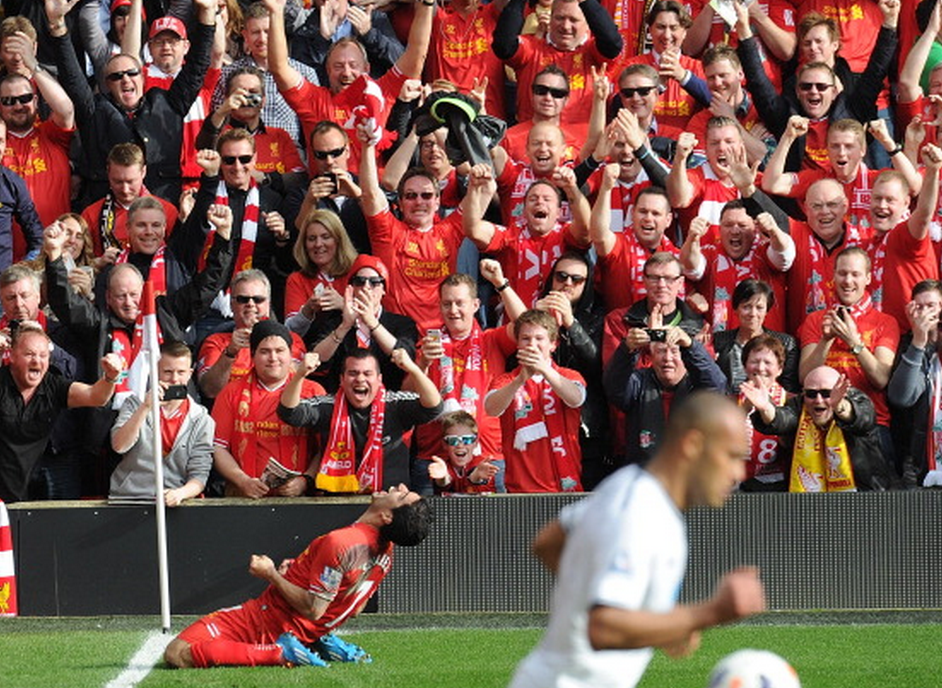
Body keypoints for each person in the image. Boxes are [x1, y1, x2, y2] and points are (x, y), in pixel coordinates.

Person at [507, 391, 766, 688]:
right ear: (693, 445)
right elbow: (603, 629)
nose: (738, 473)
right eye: (731, 456)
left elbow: (547, 541)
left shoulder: (628, 485)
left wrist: (661, 623)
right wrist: (710, 612)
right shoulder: (641, 512)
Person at [163, 483, 433, 669]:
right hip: (306, 628)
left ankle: (280, 653)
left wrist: (271, 575)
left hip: (271, 621)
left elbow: (314, 609)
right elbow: (355, 606)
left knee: (177, 653)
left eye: (401, 495)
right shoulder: (387, 550)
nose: (399, 487)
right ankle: (317, 642)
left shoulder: (342, 542)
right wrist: (297, 573)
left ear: (387, 515)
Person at [46, 0, 217, 205]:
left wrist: (207, 14)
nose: (125, 79)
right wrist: (57, 26)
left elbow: (197, 66)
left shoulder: (168, 103)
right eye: (117, 76)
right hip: (107, 213)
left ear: (142, 77)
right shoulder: (96, 110)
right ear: (108, 84)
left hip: (162, 211)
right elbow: (72, 77)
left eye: (131, 73)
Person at [278, 348, 443, 493]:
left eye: (367, 373)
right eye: (353, 373)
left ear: (379, 380)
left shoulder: (395, 404)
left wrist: (413, 369)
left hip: (388, 501)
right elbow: (289, 412)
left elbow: (434, 407)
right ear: (341, 380)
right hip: (337, 502)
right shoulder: (328, 405)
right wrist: (300, 374)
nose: (360, 379)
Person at [0, 322, 125, 503]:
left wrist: (110, 377)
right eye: (29, 354)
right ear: (11, 356)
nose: (37, 361)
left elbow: (96, 396)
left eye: (43, 355)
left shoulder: (53, 384)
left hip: (41, 474)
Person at [212, 320, 325, 498]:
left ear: (291, 354)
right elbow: (218, 447)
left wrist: (305, 481)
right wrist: (243, 481)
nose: (273, 358)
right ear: (252, 355)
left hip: (300, 500)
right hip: (244, 498)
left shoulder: (312, 392)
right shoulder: (231, 393)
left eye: (279, 351)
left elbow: (325, 448)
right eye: (265, 351)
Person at [604, 310, 727, 466]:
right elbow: (614, 387)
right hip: (647, 477)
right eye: (661, 351)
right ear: (652, 356)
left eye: (675, 351)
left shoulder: (697, 385)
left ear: (686, 356)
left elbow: (717, 386)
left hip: (688, 478)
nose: (668, 358)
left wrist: (690, 345)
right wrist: (626, 349)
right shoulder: (639, 382)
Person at [743, 364, 896, 491]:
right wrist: (766, 409)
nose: (818, 400)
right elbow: (782, 420)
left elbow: (862, 419)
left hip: (862, 494)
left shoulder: (858, 400)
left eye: (826, 393)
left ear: (842, 391)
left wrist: (839, 406)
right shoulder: (800, 404)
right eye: (811, 394)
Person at [485, 309, 586, 493]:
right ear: (517, 344)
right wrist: (520, 381)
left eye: (539, 339)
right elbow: (491, 408)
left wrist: (545, 371)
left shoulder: (569, 375)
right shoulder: (506, 380)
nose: (532, 344)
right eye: (525, 338)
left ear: (553, 344)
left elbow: (576, 398)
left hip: (565, 487)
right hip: (520, 491)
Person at [109, 341, 214, 505]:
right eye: (167, 372)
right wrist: (145, 407)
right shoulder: (134, 403)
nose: (174, 379)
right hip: (131, 497)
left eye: (181, 372)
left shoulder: (201, 419)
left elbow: (200, 474)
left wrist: (180, 494)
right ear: (155, 372)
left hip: (175, 502)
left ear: (190, 374)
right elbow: (119, 446)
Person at [196, 269, 306, 402]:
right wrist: (230, 353)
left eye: (258, 299)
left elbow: (297, 381)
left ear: (268, 304)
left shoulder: (291, 339)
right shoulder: (215, 341)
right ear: (231, 304)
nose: (251, 304)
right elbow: (210, 390)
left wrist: (265, 338)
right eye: (243, 299)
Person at [887, 280, 942, 488]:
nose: (926, 312)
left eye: (932, 306)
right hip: (920, 460)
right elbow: (902, 397)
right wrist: (918, 342)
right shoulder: (906, 346)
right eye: (919, 307)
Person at [712, 279, 799, 395]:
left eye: (759, 307)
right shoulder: (718, 341)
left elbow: (790, 389)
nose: (753, 313)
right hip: (728, 408)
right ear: (736, 309)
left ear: (767, 311)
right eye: (746, 307)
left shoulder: (785, 343)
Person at [427, 410, 499, 494]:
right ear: (444, 444)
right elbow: (444, 482)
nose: (460, 445)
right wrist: (442, 478)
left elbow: (477, 476)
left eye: (467, 440)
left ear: (475, 443)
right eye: (453, 440)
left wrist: (475, 477)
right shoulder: (442, 465)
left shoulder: (482, 465)